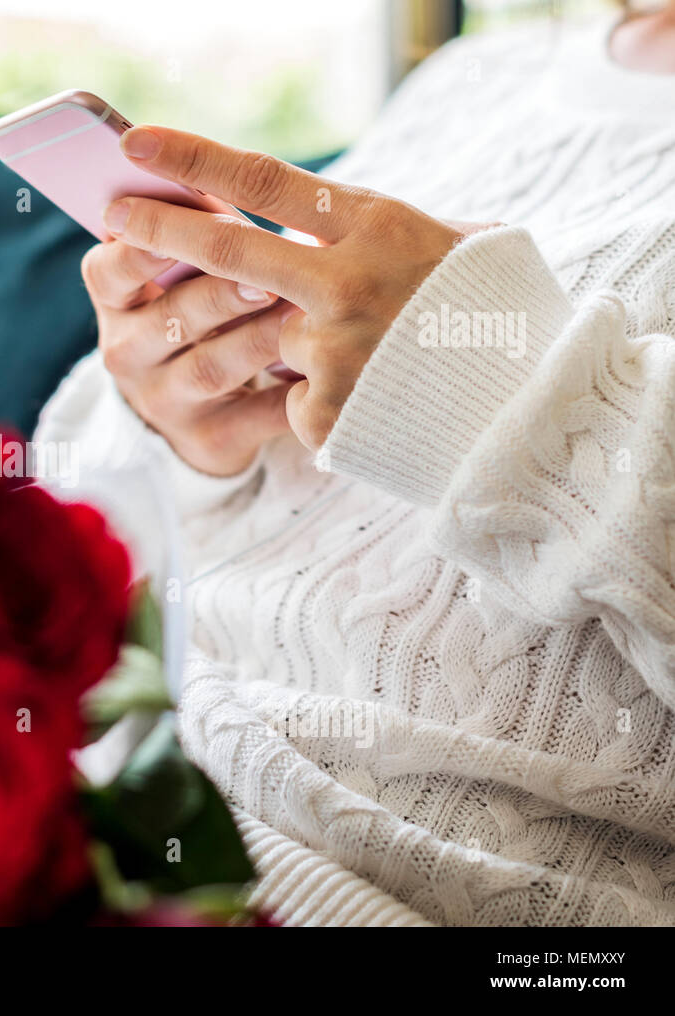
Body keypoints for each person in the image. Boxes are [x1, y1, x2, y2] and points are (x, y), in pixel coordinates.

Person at [37, 5, 675, 926]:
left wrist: (495, 380)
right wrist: (184, 423)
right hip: (110, 786)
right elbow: (104, 502)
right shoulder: (474, 80)